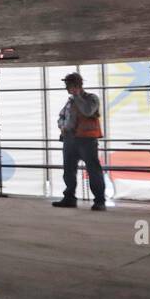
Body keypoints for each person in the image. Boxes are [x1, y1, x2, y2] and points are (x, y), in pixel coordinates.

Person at [52, 72, 106, 210]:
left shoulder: (91, 98)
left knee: (93, 170)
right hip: (70, 140)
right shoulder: (70, 102)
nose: (67, 88)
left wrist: (77, 96)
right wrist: (62, 126)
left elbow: (87, 111)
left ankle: (100, 201)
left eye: (69, 85)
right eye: (67, 85)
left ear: (78, 85)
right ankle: (69, 197)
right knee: (69, 170)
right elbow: (61, 116)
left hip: (87, 141)